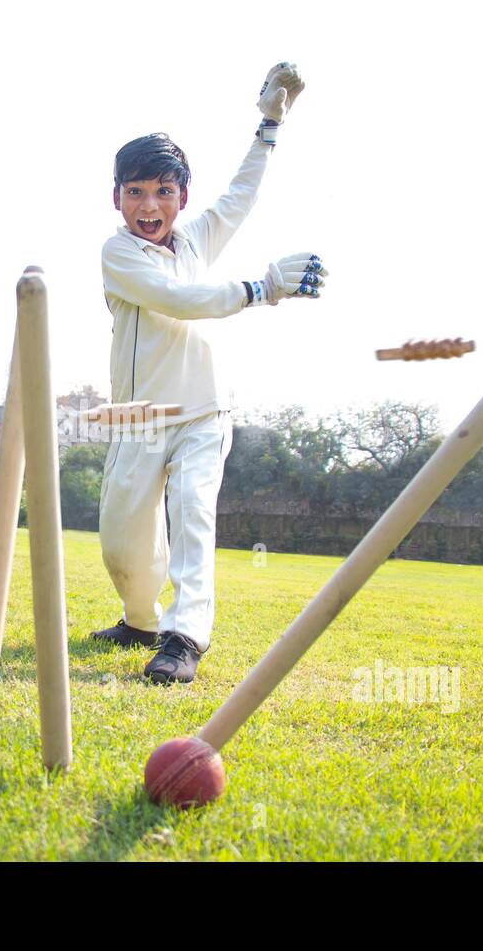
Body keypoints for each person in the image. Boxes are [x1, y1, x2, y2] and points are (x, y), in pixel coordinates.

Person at [91, 61, 323, 684]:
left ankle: (184, 637)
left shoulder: (195, 239)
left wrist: (269, 124)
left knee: (193, 512)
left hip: (205, 411)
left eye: (163, 192)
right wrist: (263, 287)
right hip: (140, 417)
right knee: (122, 544)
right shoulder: (119, 254)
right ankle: (139, 619)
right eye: (135, 191)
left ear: (181, 197)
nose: (149, 206)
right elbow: (180, 300)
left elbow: (240, 196)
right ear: (116, 196)